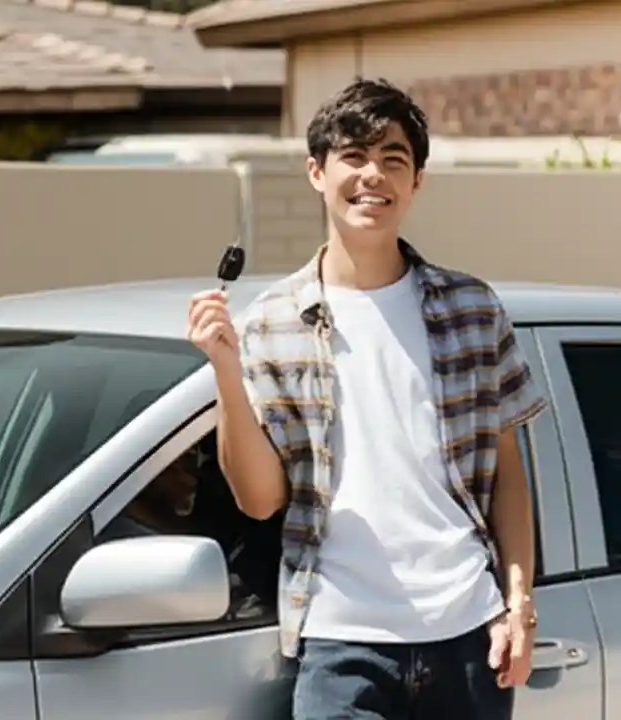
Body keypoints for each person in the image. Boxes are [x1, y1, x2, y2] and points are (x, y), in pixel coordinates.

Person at [186, 77, 546, 720]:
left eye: (393, 159)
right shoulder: (272, 323)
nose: (372, 175)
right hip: (341, 643)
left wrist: (518, 603)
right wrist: (225, 371)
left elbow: (508, 475)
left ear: (417, 182)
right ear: (316, 172)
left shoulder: (472, 308)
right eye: (353, 156)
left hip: (468, 636)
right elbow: (261, 498)